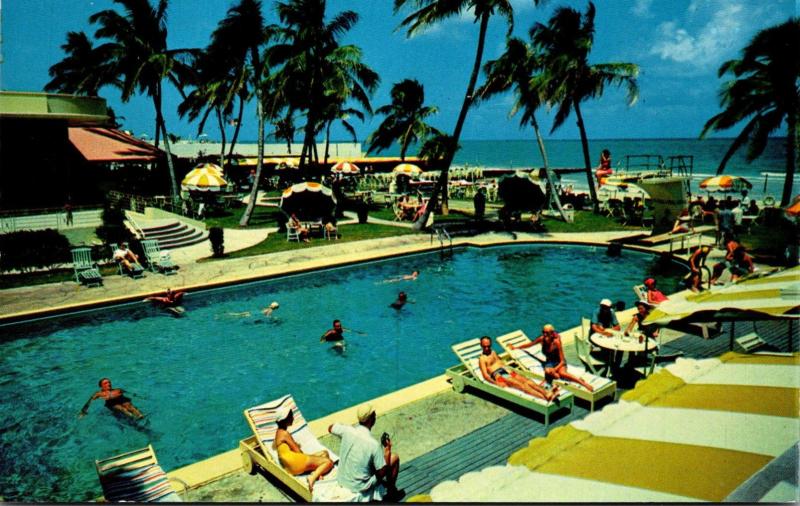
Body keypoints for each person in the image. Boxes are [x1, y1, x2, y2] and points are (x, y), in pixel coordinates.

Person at [328, 404, 402, 502]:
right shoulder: (373, 445)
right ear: (371, 419)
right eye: (373, 414)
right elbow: (382, 472)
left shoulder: (347, 431)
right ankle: (391, 492)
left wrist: (345, 427)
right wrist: (387, 449)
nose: (375, 415)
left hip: (342, 480)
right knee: (394, 458)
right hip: (359, 487)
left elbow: (330, 428)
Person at [510, 324, 593, 391]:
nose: (544, 334)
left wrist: (555, 369)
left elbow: (563, 361)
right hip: (549, 362)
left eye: (547, 332)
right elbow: (530, 344)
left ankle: (584, 384)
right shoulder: (542, 339)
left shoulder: (556, 342)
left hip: (559, 362)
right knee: (547, 370)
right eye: (543, 332)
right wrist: (516, 348)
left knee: (562, 373)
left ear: (552, 333)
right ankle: (556, 376)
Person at [478, 336, 557, 402]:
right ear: (481, 345)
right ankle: (545, 398)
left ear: (491, 344)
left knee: (527, 380)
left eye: (488, 346)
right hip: (499, 375)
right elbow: (485, 375)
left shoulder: (493, 352)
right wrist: (497, 383)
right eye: (484, 346)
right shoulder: (482, 359)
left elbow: (500, 363)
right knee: (521, 386)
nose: (487, 348)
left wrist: (509, 370)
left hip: (506, 371)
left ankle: (546, 392)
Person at [272, 406, 333, 492]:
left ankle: (316, 472)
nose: (293, 417)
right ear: (286, 419)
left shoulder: (278, 432)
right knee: (328, 462)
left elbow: (276, 447)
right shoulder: (285, 434)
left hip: (289, 464)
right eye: (291, 416)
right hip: (295, 463)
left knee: (324, 453)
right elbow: (298, 451)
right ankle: (312, 477)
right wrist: (309, 457)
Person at [79, 378, 144, 420]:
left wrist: (142, 398)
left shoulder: (118, 390)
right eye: (105, 383)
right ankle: (132, 417)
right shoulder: (98, 393)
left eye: (109, 382)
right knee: (120, 408)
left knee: (128, 405)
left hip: (122, 400)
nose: (108, 384)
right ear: (101, 386)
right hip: (112, 404)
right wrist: (83, 412)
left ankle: (139, 415)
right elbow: (89, 402)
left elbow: (131, 394)